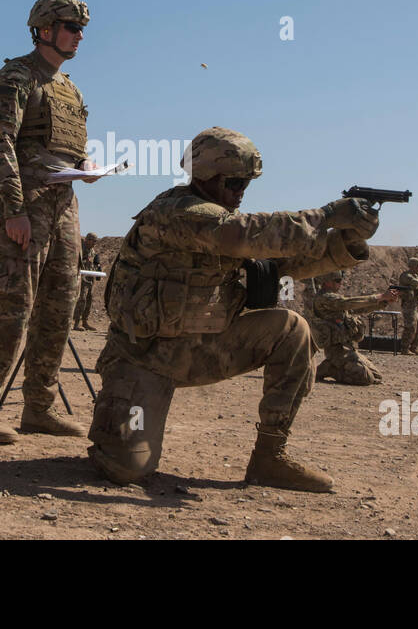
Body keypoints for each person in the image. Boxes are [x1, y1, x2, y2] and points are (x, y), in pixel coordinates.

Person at [86, 127, 381, 492]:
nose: (241, 191)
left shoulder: (224, 220)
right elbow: (241, 233)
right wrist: (325, 216)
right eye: (234, 182)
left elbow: (282, 263)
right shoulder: (177, 212)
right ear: (206, 175)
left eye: (246, 183)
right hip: (143, 358)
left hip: (202, 350)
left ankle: (270, 458)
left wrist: (347, 242)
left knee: (291, 329)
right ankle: (116, 429)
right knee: (127, 468)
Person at [0, 0, 100, 444]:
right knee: (9, 308)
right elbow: (0, 144)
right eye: (71, 26)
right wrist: (14, 210)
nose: (79, 36)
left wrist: (87, 167)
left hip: (64, 209)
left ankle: (39, 407)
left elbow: (68, 150)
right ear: (44, 28)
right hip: (24, 207)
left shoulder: (70, 88)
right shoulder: (16, 76)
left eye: (82, 29)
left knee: (58, 309)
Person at [308, 272, 398, 385]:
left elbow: (357, 309)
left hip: (348, 347)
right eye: (337, 280)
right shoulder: (324, 298)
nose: (340, 283)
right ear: (327, 281)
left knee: (377, 376)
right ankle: (329, 369)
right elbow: (347, 303)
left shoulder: (335, 299)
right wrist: (379, 297)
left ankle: (331, 365)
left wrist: (383, 302)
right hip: (337, 349)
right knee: (366, 379)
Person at [397, 257, 418, 355]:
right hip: (409, 305)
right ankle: (405, 348)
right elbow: (413, 281)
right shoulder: (405, 275)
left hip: (417, 305)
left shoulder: (417, 275)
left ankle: (413, 347)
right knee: (410, 327)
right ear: (412, 266)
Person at [73, 232, 102, 331]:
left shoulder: (92, 252)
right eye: (93, 241)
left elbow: (94, 263)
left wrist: (98, 269)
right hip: (82, 279)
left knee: (89, 300)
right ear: (88, 240)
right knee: (82, 300)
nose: (94, 243)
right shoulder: (80, 249)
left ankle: (85, 322)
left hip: (90, 279)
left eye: (95, 241)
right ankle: (76, 323)